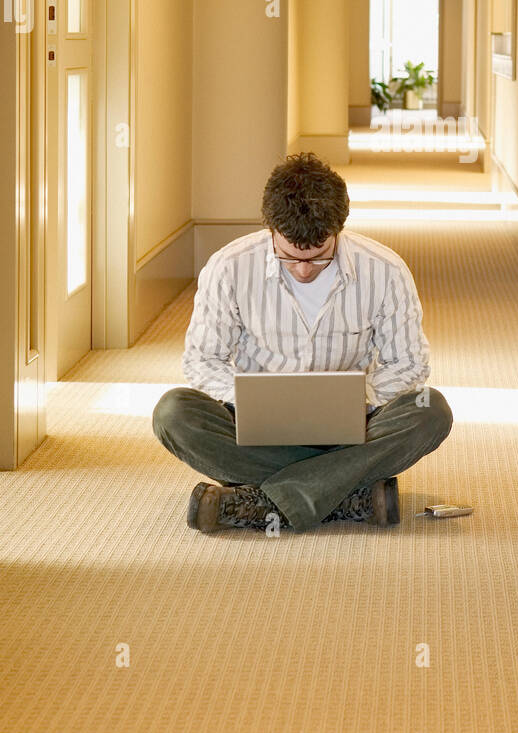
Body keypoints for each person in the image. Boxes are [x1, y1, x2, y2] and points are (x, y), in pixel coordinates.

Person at [152, 152, 453, 533]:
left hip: (352, 432)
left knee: (431, 410)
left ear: (338, 231)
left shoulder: (385, 270)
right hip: (256, 432)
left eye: (320, 258)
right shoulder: (229, 267)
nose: (304, 269)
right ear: (271, 230)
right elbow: (202, 360)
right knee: (173, 413)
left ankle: (260, 502)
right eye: (289, 258)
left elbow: (409, 363)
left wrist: (366, 397)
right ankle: (345, 495)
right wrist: (245, 399)